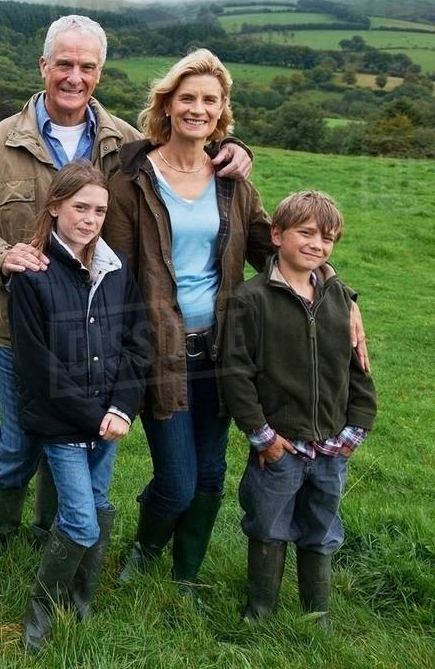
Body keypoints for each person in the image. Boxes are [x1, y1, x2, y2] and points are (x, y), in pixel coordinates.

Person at [0, 16, 252, 580]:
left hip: (101, 338)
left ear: (100, 73)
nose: (74, 76)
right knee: (18, 442)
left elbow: (190, 152)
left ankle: (54, 534)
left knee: (86, 441)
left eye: (87, 67)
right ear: (43, 67)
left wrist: (233, 148)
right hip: (21, 330)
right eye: (64, 63)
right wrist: (0, 256)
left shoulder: (128, 147)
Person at [103, 48, 278, 599]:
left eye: (209, 100)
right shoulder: (133, 180)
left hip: (223, 352)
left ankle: (185, 575)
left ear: (222, 111)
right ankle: (145, 549)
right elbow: (117, 273)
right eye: (187, 99)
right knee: (177, 483)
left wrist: (341, 300)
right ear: (168, 105)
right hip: (161, 352)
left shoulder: (234, 182)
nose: (197, 109)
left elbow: (273, 253)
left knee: (210, 477)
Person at [7, 161, 149, 652]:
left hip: (110, 419)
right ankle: (40, 613)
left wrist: (123, 408)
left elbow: (136, 342)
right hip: (66, 424)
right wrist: (95, 417)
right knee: (82, 519)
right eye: (80, 207)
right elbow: (36, 363)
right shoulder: (33, 274)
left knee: (99, 501)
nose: (90, 219)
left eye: (100, 211)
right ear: (55, 208)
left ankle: (80, 600)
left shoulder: (115, 269)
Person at [220, 191, 376, 628]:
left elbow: (359, 369)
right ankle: (260, 612)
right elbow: (236, 374)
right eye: (305, 233)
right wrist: (262, 437)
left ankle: (316, 615)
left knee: (322, 527)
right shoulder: (251, 299)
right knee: (269, 525)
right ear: (276, 235)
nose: (317, 245)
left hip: (332, 446)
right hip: (279, 447)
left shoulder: (340, 300)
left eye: (327, 239)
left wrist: (356, 430)